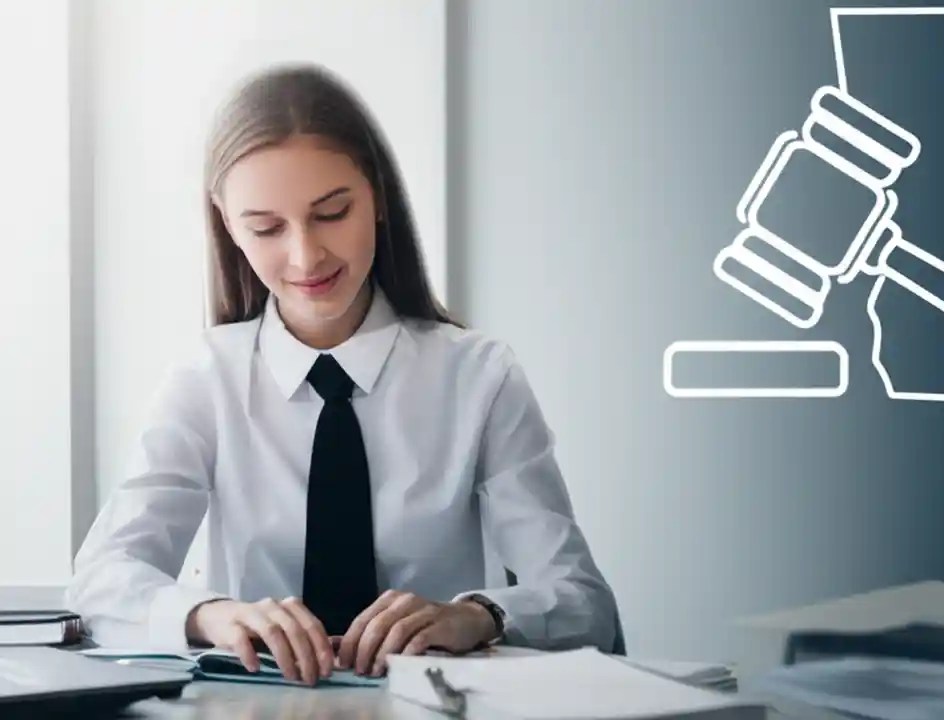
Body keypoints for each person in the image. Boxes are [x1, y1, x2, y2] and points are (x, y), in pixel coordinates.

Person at [65, 63, 619, 685]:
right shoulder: (207, 379)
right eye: (267, 228)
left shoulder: (480, 377)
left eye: (332, 212)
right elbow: (101, 579)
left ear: (377, 197)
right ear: (227, 223)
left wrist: (480, 614)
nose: (306, 256)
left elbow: (584, 603)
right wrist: (211, 614)